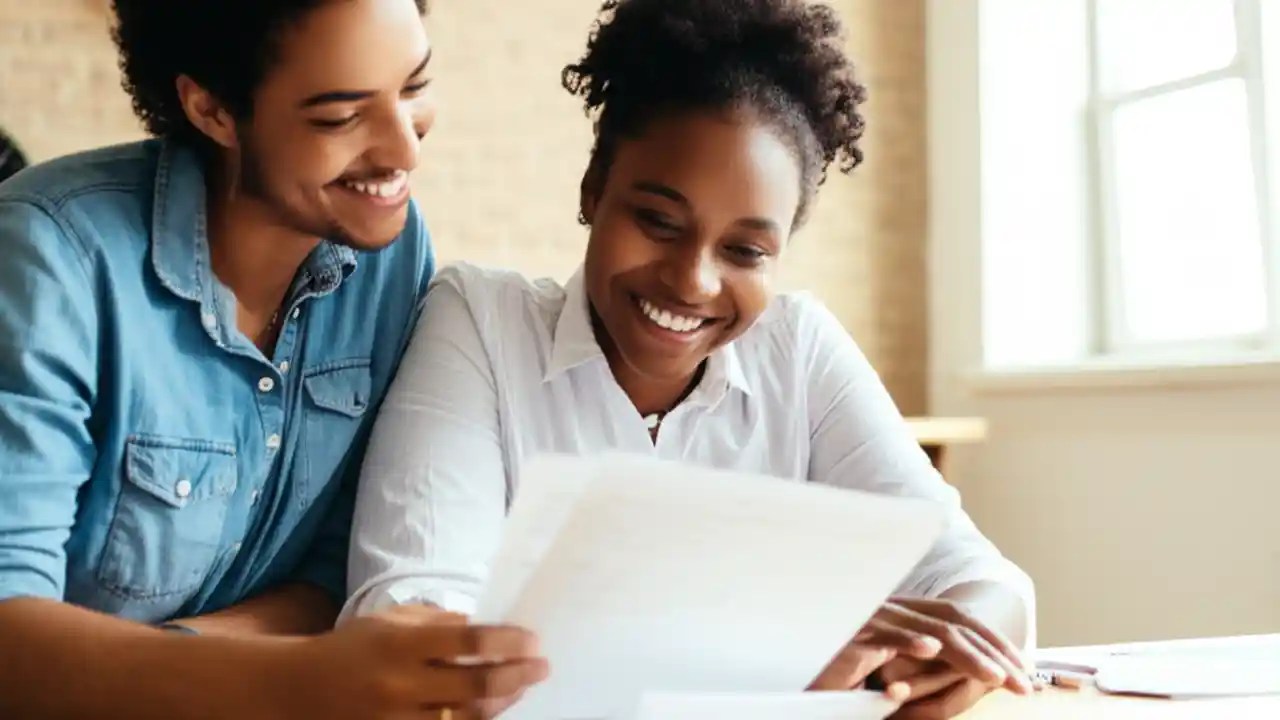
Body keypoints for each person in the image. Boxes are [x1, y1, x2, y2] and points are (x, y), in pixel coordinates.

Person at [345, 0, 1038, 717]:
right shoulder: (480, 320)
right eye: (659, 222)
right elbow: (410, 611)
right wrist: (777, 659)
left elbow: (977, 575)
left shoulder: (798, 349)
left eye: (745, 251)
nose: (693, 280)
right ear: (593, 190)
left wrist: (955, 650)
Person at [0, 1, 545, 718]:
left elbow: (334, 566)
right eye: (340, 117)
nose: (403, 152)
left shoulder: (388, 254)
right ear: (213, 109)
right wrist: (293, 678)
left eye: (413, 87)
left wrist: (237, 663)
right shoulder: (51, 258)